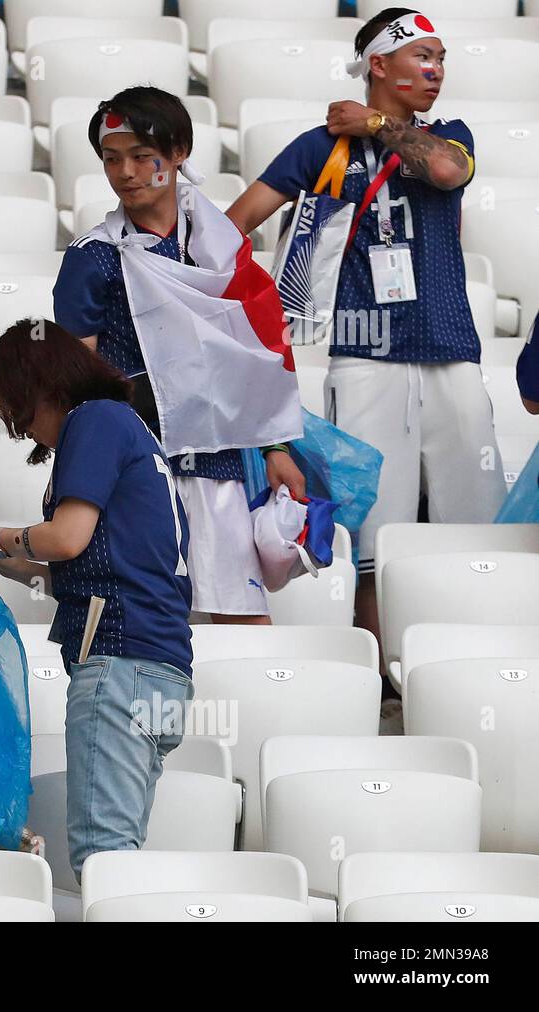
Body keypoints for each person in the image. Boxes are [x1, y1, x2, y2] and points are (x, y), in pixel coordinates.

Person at [226, 7, 506, 663]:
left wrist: (379, 124)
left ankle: (472, 657)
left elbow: (446, 172)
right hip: (365, 357)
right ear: (380, 63)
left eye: (441, 61)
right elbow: (234, 223)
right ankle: (381, 673)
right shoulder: (320, 148)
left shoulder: (450, 134)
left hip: (450, 352)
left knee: (473, 526)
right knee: (376, 533)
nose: (436, 72)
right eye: (422, 58)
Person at [54, 85, 305, 625]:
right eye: (112, 159)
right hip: (135, 470)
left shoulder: (221, 249)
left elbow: (255, 354)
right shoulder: (91, 259)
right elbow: (75, 387)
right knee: (153, 627)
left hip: (216, 465)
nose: (126, 172)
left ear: (178, 153)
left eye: (143, 157)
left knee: (243, 621)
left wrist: (276, 448)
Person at [0, 319, 192, 880]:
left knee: (104, 862)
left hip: (118, 665)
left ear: (40, 388)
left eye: (17, 413)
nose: (23, 432)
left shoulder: (94, 420)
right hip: (161, 672)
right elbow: (68, 571)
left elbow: (64, 539)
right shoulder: (128, 428)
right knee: (119, 858)